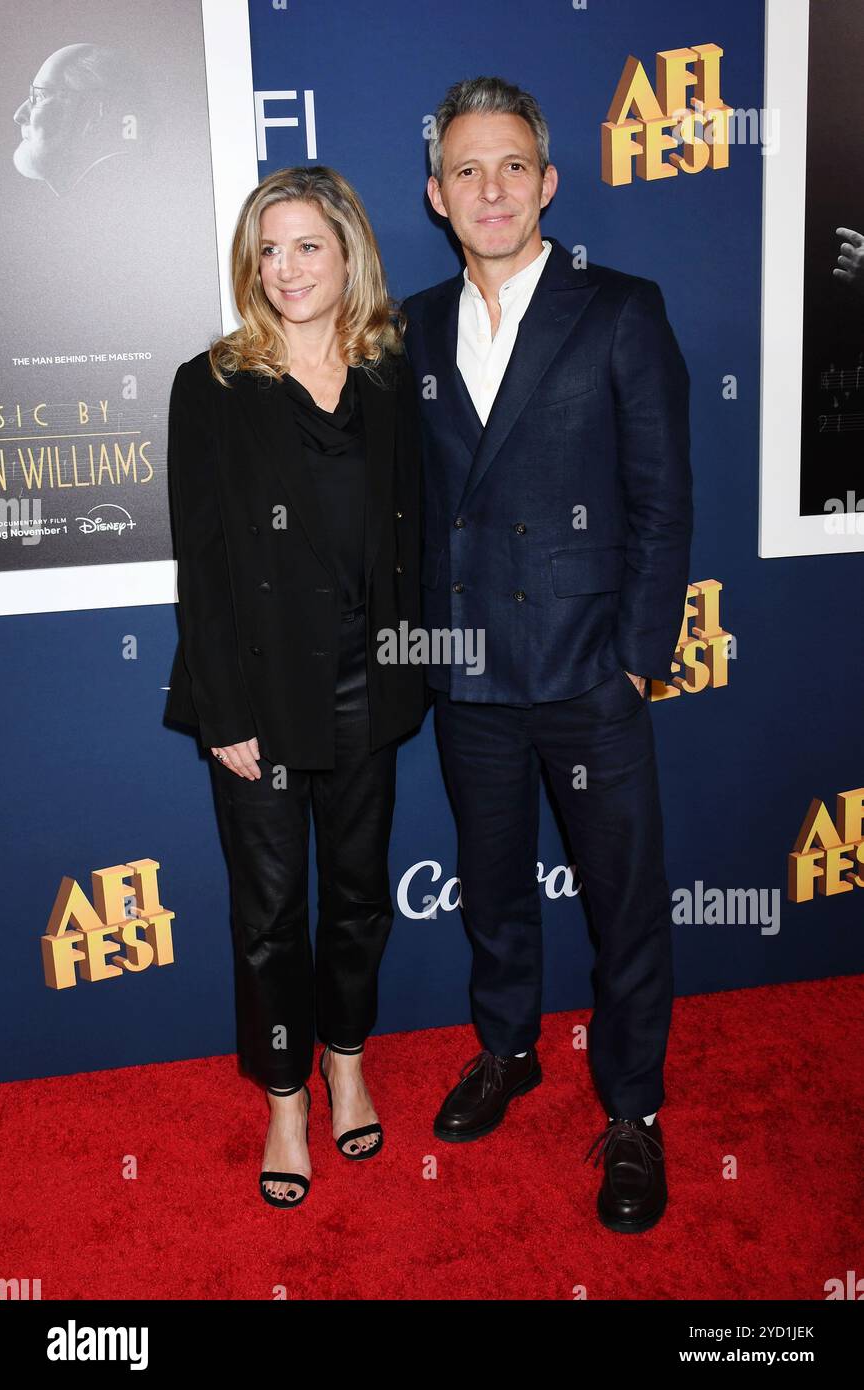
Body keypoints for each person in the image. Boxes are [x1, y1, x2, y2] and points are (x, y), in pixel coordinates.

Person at [401, 77, 693, 1233]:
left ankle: (632, 1111)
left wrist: (633, 663)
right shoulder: (411, 326)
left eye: (511, 164)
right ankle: (508, 1050)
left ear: (549, 181)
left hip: (587, 671)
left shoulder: (619, 307)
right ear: (435, 194)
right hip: (471, 671)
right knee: (494, 891)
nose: (490, 187)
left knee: (625, 906)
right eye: (466, 169)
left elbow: (663, 504)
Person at [164, 165, 424, 1208]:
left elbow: (409, 540)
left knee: (359, 899)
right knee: (272, 915)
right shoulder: (212, 383)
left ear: (348, 251)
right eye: (266, 250)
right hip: (261, 697)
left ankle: (348, 1059)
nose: (284, 269)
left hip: (371, 681)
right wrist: (226, 712)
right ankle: (285, 1093)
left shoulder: (392, 374)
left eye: (306, 246)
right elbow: (205, 564)